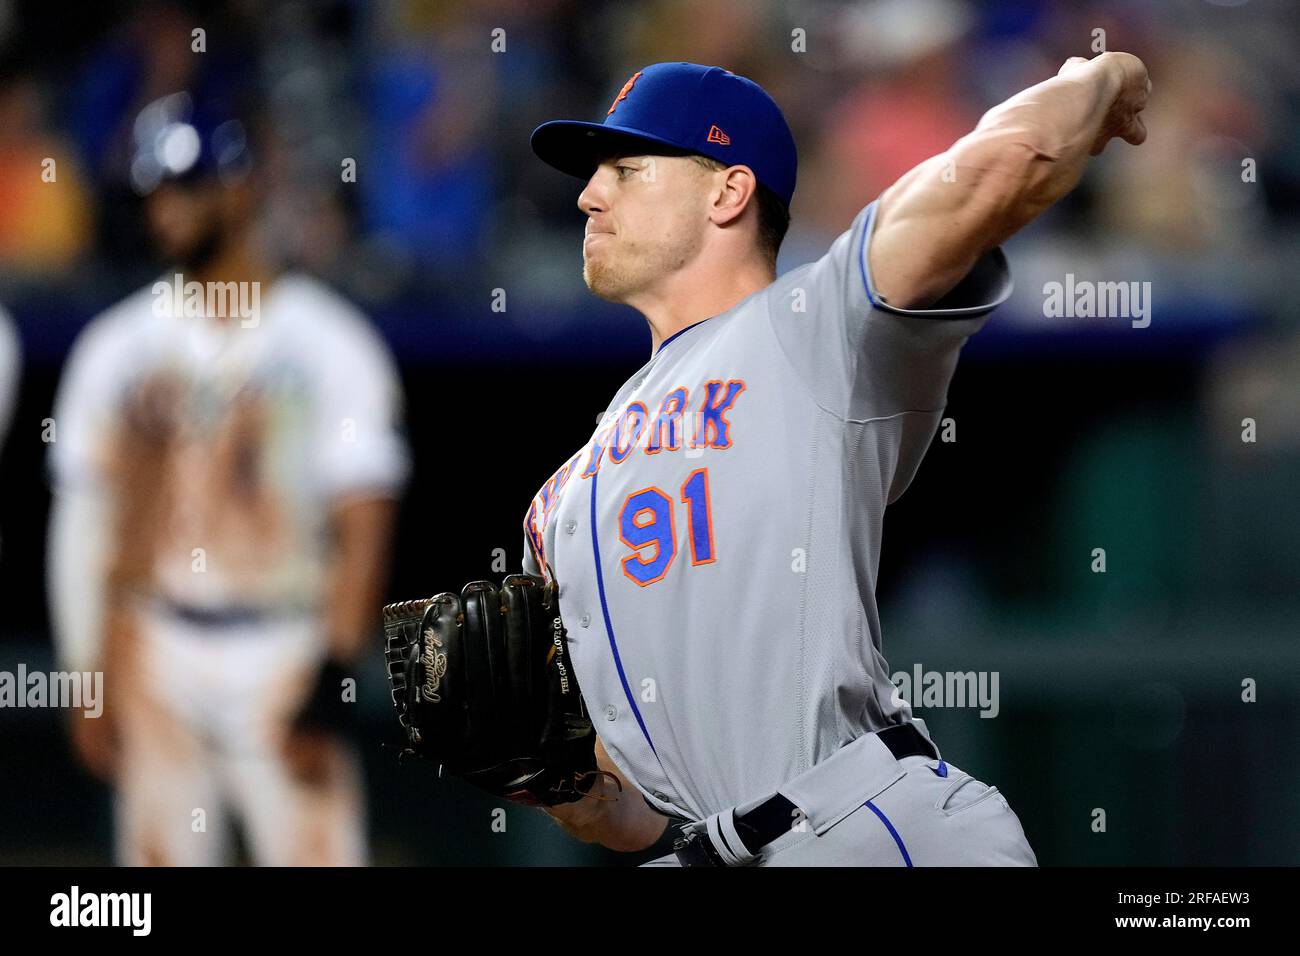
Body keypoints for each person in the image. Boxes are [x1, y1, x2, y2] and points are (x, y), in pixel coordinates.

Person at [519, 56, 1149, 865]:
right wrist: (568, 789)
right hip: (706, 846)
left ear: (728, 192)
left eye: (626, 169)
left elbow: (994, 177)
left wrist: (1099, 76)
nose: (588, 195)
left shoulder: (814, 328)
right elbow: (638, 810)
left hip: (861, 825)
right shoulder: (565, 496)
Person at [47, 92, 410, 865]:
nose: (165, 209)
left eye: (185, 185)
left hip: (284, 644)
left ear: (240, 187)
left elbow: (365, 515)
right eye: (153, 191)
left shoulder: (328, 341)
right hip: (157, 644)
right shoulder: (117, 346)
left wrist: (334, 674)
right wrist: (87, 670)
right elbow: (87, 524)